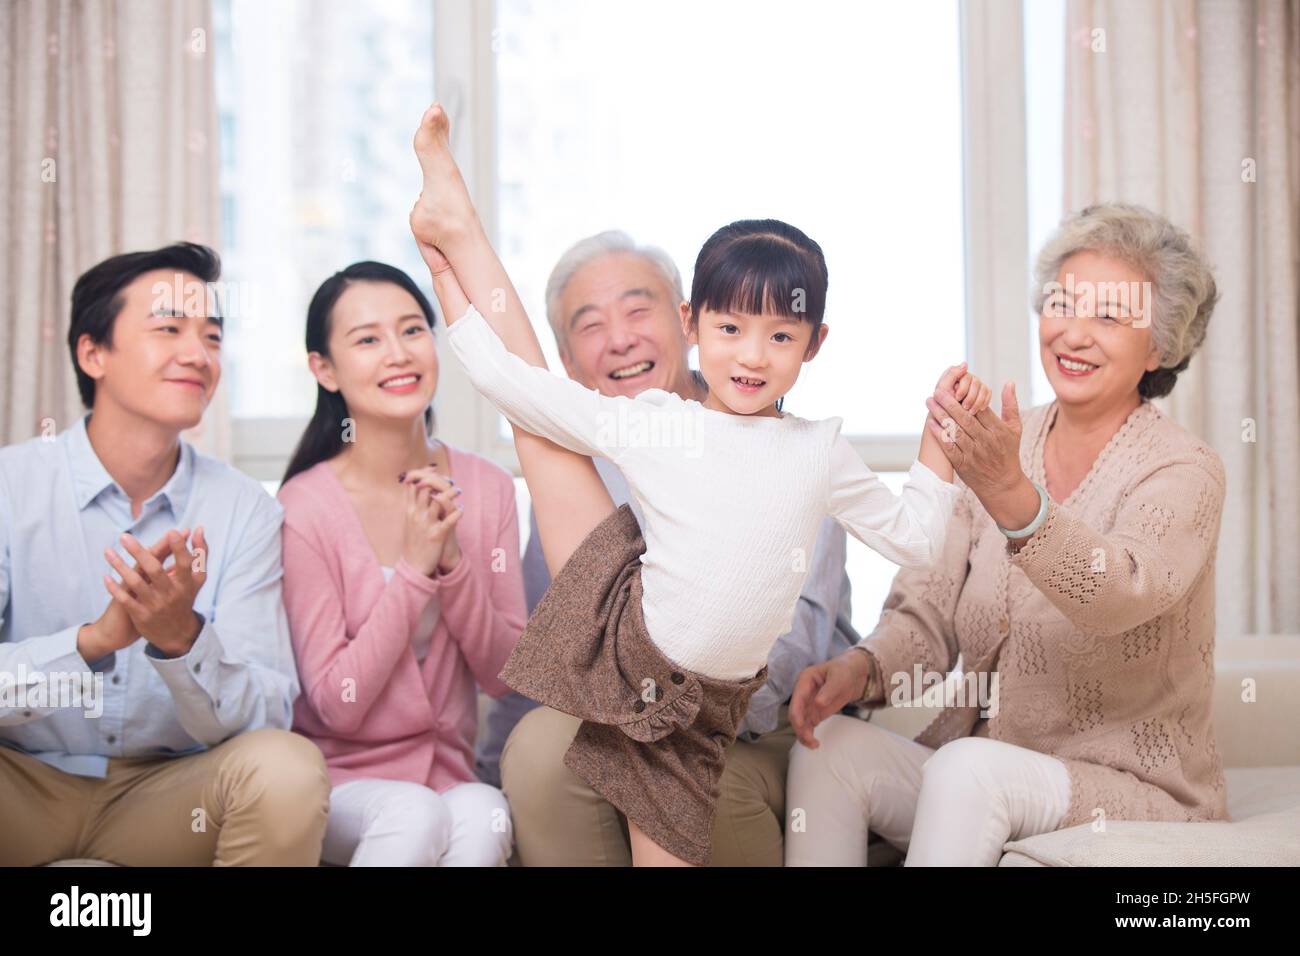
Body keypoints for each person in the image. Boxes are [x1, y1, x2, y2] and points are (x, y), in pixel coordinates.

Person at [407, 103, 989, 866]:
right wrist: (444, 275)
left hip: (703, 717)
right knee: (539, 427)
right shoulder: (655, 423)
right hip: (626, 635)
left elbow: (915, 538)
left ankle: (458, 233)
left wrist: (937, 447)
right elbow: (512, 385)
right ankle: (459, 229)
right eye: (729, 330)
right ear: (695, 324)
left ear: (816, 344)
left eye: (780, 335)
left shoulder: (819, 451)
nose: (752, 356)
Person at [785, 203, 1228, 866]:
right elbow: (927, 615)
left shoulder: (1183, 468)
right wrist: (859, 669)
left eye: (1109, 316)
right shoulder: (1000, 444)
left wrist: (1010, 494)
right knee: (830, 751)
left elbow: (1117, 595)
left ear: (1159, 346)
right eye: (1063, 304)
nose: (1074, 334)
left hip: (1129, 786)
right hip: (985, 777)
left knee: (968, 768)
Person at [478, 230, 863, 867]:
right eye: (590, 324)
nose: (620, 338)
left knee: (684, 768)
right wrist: (490, 778)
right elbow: (547, 652)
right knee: (541, 747)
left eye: (636, 310)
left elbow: (789, 660)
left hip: (763, 726)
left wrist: (657, 709)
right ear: (569, 365)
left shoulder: (789, 455)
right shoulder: (578, 475)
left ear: (689, 323)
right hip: (635, 713)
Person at [0, 242, 329, 866]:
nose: (197, 354)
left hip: (166, 796)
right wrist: (94, 640)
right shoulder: (10, 486)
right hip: (19, 783)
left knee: (286, 768)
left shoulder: (244, 509)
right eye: (169, 329)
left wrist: (182, 639)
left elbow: (267, 711)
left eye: (211, 336)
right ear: (92, 353)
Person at [278, 262, 526, 866]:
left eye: (412, 331)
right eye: (367, 339)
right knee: (413, 813)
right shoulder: (305, 507)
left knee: (483, 814)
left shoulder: (488, 488)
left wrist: (453, 565)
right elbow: (338, 702)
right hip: (340, 782)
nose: (398, 354)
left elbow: (505, 674)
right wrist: (416, 571)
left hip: (448, 775)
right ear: (324, 369)